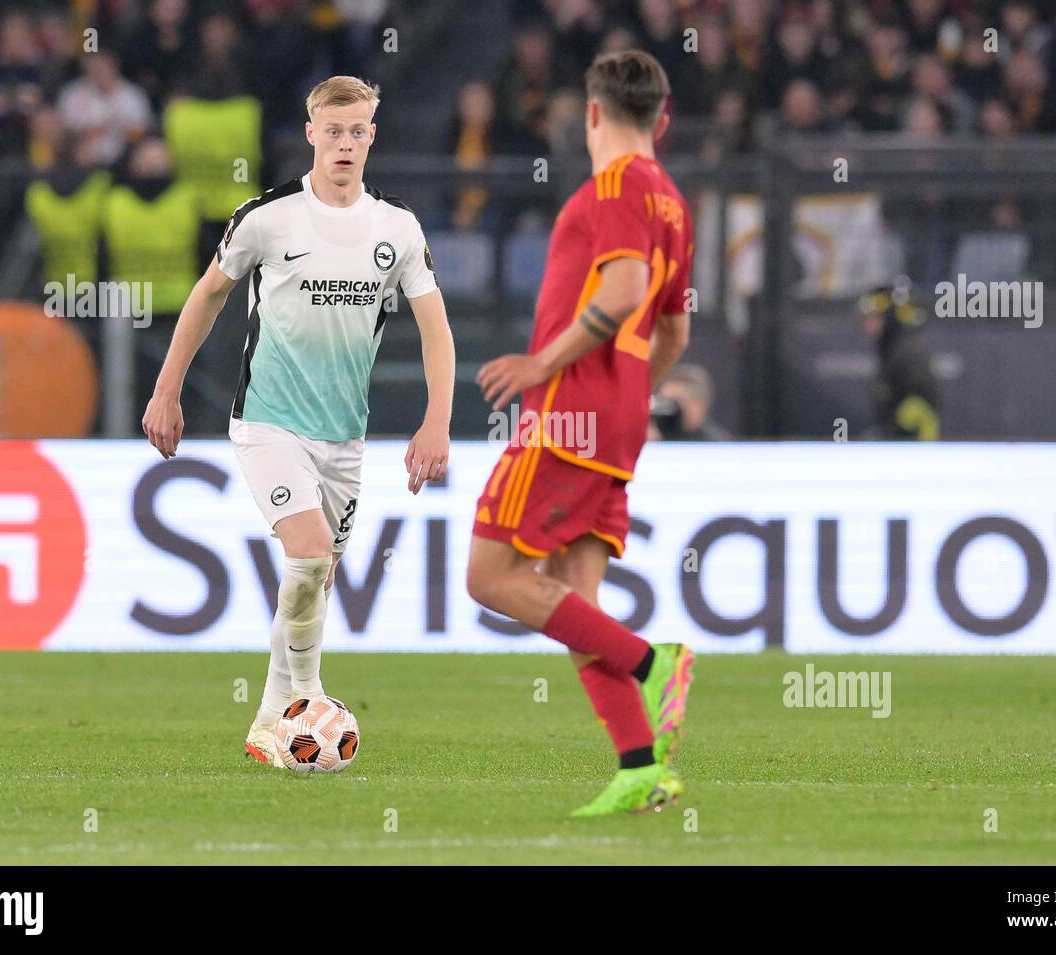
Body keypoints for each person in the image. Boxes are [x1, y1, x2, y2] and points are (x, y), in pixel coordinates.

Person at [141, 76, 456, 766]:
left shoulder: (396, 228)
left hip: (344, 433)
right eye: (333, 131)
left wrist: (438, 421)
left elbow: (436, 328)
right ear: (311, 133)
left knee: (318, 576)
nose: (345, 143)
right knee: (309, 554)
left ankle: (266, 720)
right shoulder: (268, 217)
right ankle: (307, 698)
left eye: (358, 132)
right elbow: (207, 295)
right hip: (267, 420)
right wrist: (167, 391)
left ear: (372, 135)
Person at [467, 50, 695, 817]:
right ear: (663, 118)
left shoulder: (615, 186)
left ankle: (651, 660)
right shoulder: (671, 200)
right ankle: (641, 766)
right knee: (574, 600)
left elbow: (624, 286)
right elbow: (673, 333)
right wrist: (631, 396)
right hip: (616, 413)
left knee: (489, 575)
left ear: (592, 114)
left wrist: (544, 366)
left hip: (569, 412)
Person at [860, 281, 940, 440]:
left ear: (888, 318)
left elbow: (926, 404)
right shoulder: (888, 349)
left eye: (874, 317)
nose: (867, 325)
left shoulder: (906, 352)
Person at [649, 363, 731, 440]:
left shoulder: (720, 446)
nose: (668, 410)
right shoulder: (653, 437)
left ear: (699, 405)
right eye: (663, 401)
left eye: (675, 402)